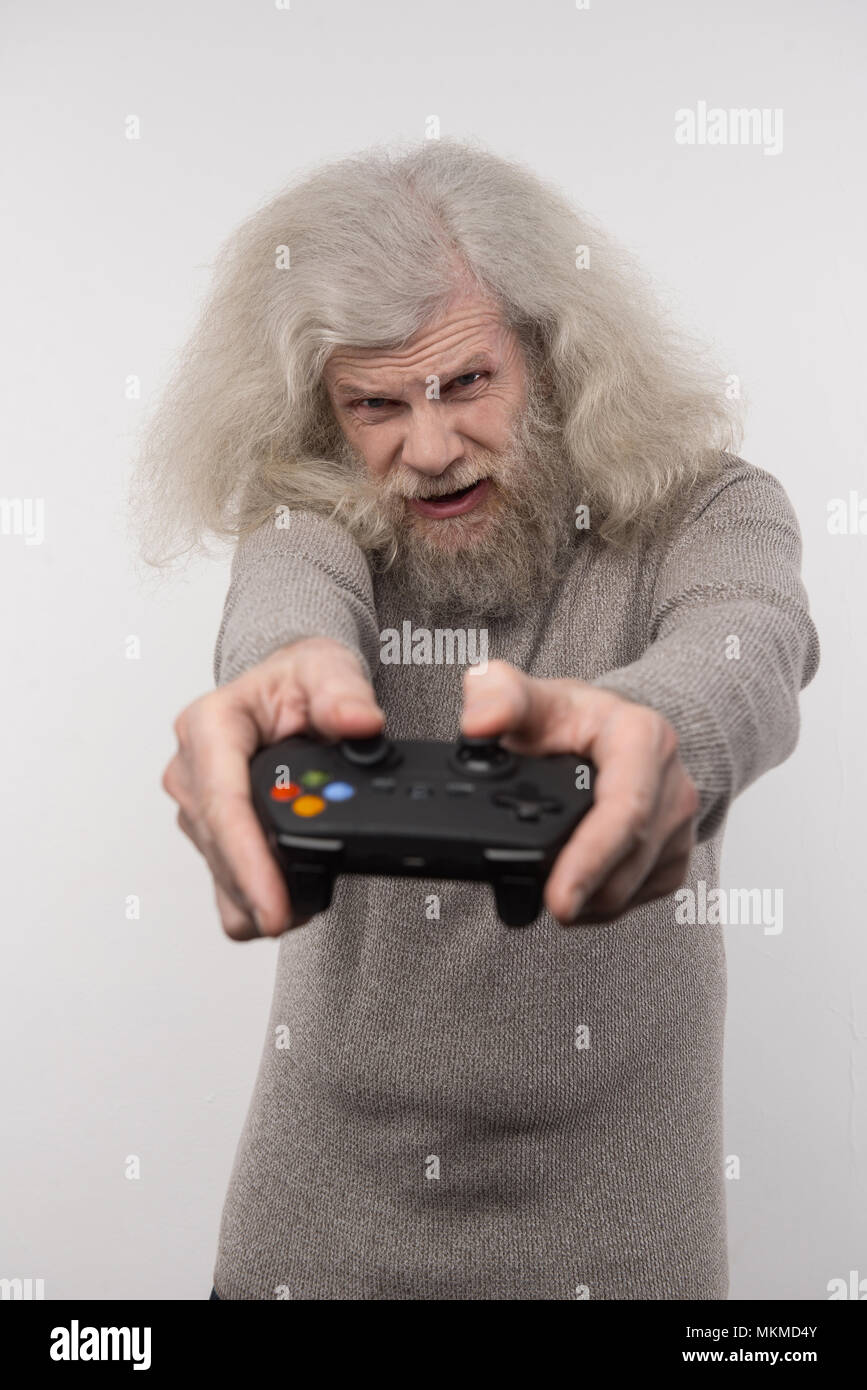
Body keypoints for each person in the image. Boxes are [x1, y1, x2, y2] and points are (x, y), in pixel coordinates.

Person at [139, 139, 820, 1299]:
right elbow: (286, 610)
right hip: (317, 1242)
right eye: (376, 404)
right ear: (322, 410)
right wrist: (289, 677)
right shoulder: (317, 519)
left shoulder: (712, 509)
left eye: (467, 382)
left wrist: (657, 729)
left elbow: (746, 645)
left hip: (623, 1253)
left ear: (555, 358)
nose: (431, 446)